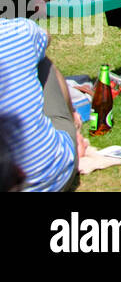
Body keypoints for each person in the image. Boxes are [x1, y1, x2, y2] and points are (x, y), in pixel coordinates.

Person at [0, 18, 86, 191]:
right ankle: (71, 126)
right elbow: (45, 37)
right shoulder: (18, 30)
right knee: (42, 60)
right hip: (52, 178)